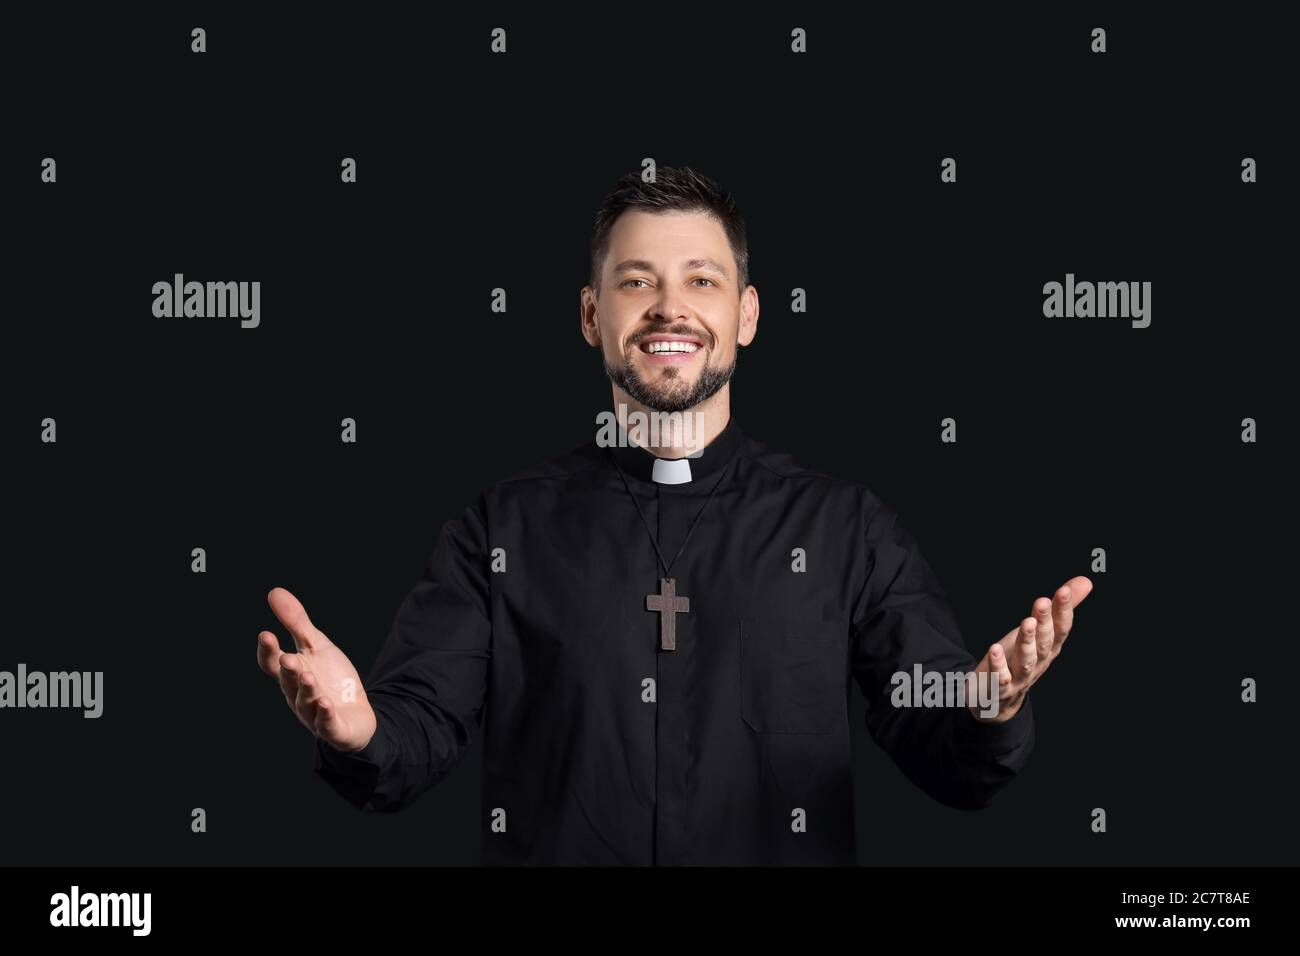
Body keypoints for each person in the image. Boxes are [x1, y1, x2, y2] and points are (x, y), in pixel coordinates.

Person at [256, 166, 1092, 865]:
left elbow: (939, 743)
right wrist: (361, 730)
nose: (669, 308)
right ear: (592, 316)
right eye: (636, 281)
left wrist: (989, 705)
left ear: (747, 314)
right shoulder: (501, 528)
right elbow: (418, 731)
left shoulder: (844, 529)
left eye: (702, 279)